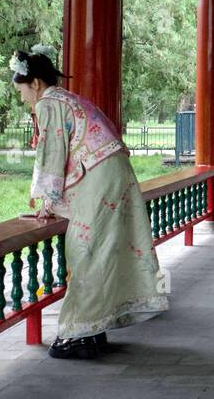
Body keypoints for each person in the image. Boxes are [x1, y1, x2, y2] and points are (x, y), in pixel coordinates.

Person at [13, 46, 168, 360]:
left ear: (36, 84)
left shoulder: (48, 103)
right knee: (101, 249)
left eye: (21, 91)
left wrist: (47, 199)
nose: (22, 98)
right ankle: (94, 330)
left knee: (85, 251)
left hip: (99, 177)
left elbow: (52, 152)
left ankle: (80, 333)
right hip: (112, 173)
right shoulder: (69, 97)